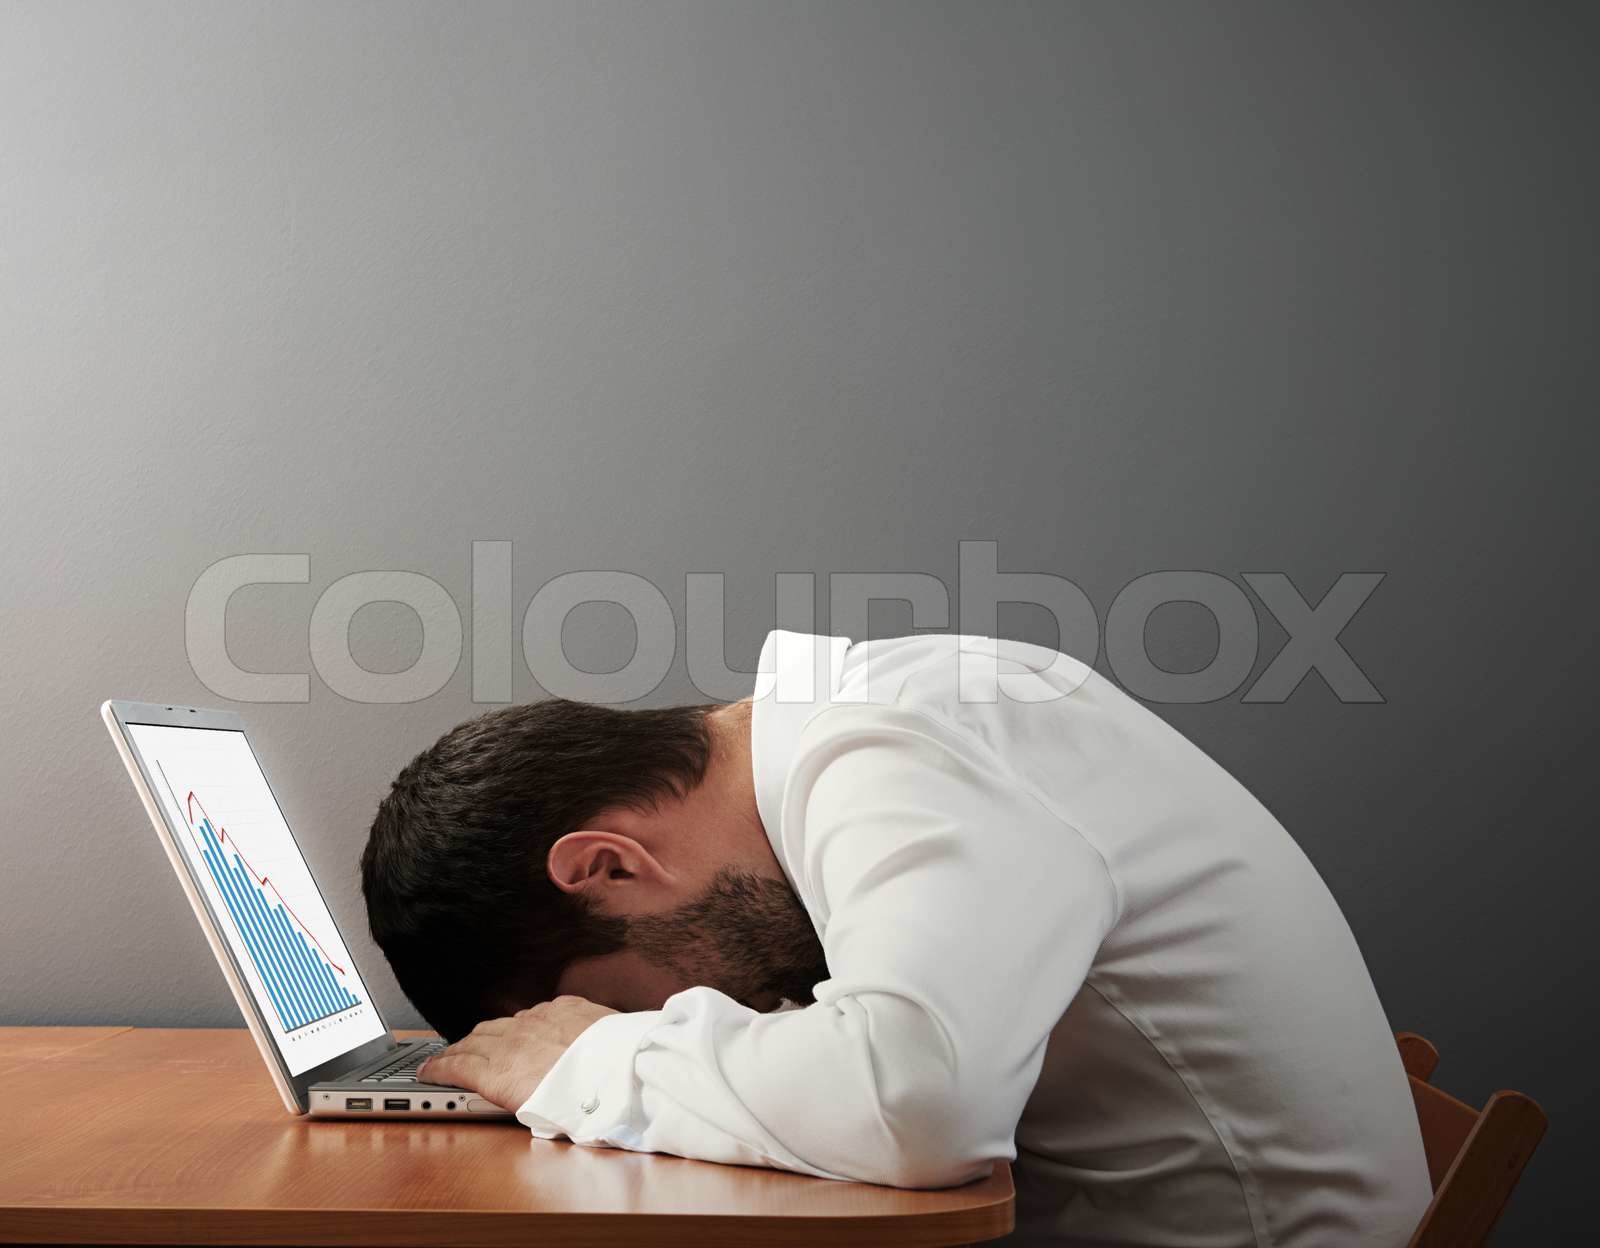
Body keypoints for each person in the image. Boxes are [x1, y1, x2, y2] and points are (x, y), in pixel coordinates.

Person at [361, 630, 1431, 1246]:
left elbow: (920, 1105)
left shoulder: (890, 744)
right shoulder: (854, 723)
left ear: (603, 866)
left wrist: (585, 1059)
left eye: (628, 999)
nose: (695, 1020)